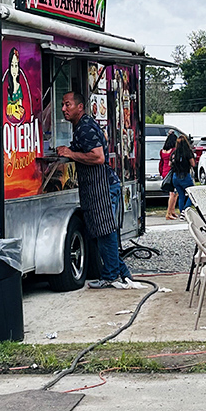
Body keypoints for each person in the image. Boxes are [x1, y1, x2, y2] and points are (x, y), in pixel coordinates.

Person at [57, 91, 140, 290]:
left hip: (102, 185)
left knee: (105, 232)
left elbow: (98, 157)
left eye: (68, 104)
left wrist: (70, 153)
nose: (63, 109)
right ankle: (121, 273)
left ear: (80, 107)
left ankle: (111, 275)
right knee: (102, 232)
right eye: (62, 105)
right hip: (96, 186)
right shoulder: (81, 126)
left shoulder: (85, 127)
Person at [171, 134, 196, 214]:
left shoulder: (174, 153)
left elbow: (169, 164)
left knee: (181, 195)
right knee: (192, 193)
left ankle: (182, 211)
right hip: (185, 175)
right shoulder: (187, 152)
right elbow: (193, 164)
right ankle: (186, 210)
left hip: (175, 176)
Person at [159, 131, 178, 220]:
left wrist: (161, 172)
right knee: (173, 193)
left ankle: (172, 211)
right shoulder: (173, 151)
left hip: (164, 171)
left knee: (174, 193)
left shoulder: (162, 151)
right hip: (171, 171)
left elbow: (161, 162)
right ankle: (169, 212)